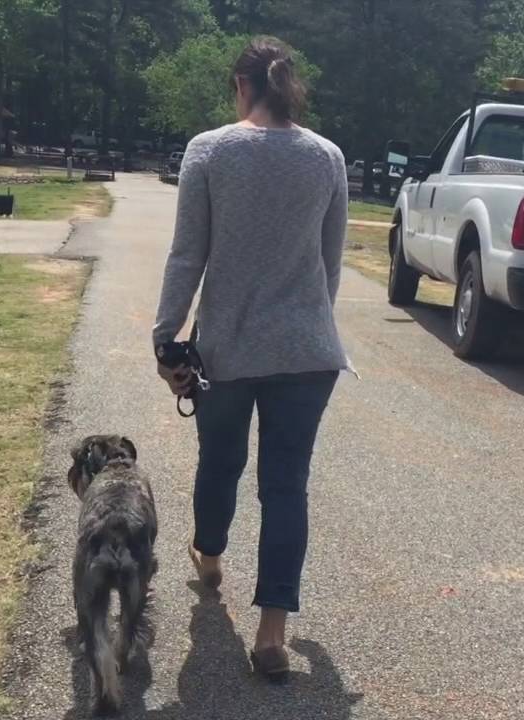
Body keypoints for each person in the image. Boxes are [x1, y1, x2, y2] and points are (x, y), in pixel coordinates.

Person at [152, 36, 350, 680]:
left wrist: (166, 335)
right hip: (308, 351)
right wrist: (309, 320)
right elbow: (330, 265)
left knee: (221, 461)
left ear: (242, 86)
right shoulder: (328, 157)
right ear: (286, 85)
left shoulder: (209, 151)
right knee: (286, 485)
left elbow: (188, 254)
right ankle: (272, 634)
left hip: (227, 348)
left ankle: (209, 559)